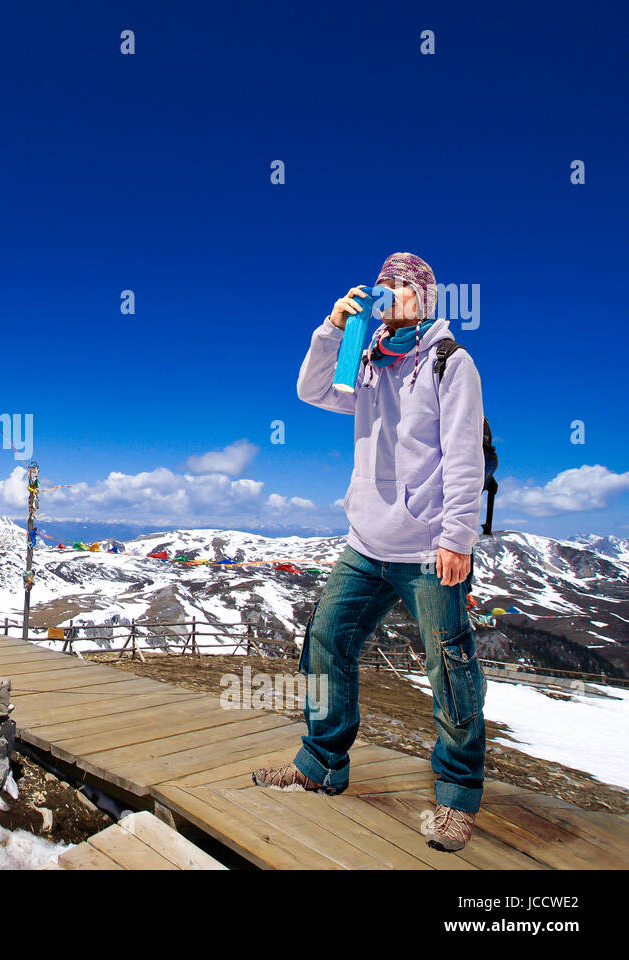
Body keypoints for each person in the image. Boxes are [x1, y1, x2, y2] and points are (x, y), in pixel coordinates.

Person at [252, 252, 487, 853]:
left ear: (426, 299)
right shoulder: (367, 360)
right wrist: (332, 329)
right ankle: (321, 763)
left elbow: (462, 456)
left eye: (402, 287)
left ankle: (457, 794)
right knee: (327, 638)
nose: (389, 294)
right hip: (366, 541)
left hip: (428, 547)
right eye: (383, 284)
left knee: (449, 662)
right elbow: (309, 391)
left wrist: (457, 537)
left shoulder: (449, 364)